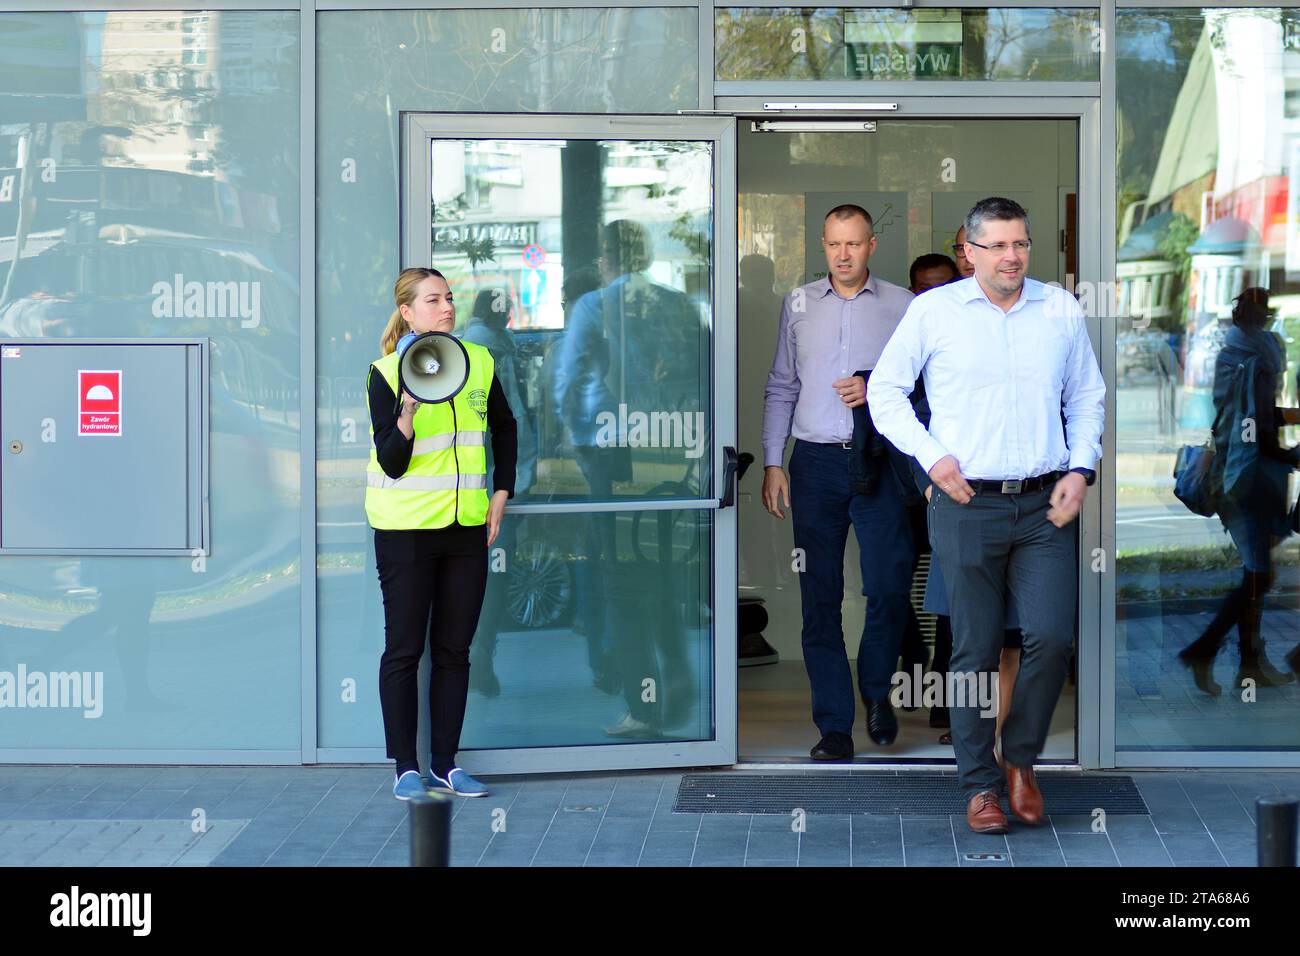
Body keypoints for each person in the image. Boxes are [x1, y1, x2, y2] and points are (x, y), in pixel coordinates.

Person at [868, 197, 1105, 833]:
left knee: (1052, 638)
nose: (1011, 257)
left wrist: (1081, 469)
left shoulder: (1058, 307)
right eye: (997, 246)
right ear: (968, 251)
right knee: (971, 651)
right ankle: (979, 787)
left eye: (1020, 244)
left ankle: (1020, 759)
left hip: (1044, 502)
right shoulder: (933, 311)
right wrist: (932, 459)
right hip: (966, 501)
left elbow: (1086, 395)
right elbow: (883, 392)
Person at [762, 203, 915, 759]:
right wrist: (774, 460)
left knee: (889, 587)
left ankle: (876, 690)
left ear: (871, 245)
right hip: (815, 466)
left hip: (880, 463)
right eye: (833, 244)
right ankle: (834, 726)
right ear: (822, 246)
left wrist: (874, 389)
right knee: (819, 597)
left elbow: (925, 387)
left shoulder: (904, 305)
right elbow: (781, 385)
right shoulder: (797, 303)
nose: (843, 254)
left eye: (853, 243)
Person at [366, 267, 517, 800]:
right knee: (404, 651)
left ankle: (447, 764)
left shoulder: (478, 361)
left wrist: (502, 491)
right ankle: (407, 767)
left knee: (455, 650)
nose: (447, 308)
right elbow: (391, 459)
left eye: (450, 298)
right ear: (408, 311)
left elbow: (505, 425)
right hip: (406, 532)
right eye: (433, 300)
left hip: (464, 530)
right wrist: (407, 408)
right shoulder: (385, 373)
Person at [1178, 287, 1298, 693]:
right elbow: (1260, 420)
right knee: (1258, 576)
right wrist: (1293, 433)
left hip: (1242, 470)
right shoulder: (1254, 356)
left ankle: (1248, 663)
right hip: (1248, 477)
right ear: (1260, 319)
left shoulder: (1236, 349)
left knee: (1257, 573)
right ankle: (1209, 650)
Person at [462, 289, 537, 697]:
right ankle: (481, 658)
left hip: (459, 486)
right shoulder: (496, 354)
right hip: (493, 488)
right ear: (504, 317)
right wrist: (518, 484)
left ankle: (465, 660)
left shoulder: (458, 346)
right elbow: (512, 424)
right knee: (494, 575)